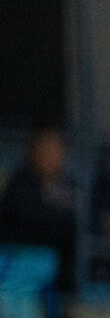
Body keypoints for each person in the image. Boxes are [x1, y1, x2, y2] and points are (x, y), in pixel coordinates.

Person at [0, 126, 77, 297]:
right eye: (45, 149)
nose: (51, 155)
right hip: (20, 259)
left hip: (58, 263)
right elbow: (30, 221)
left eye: (56, 149)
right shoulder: (21, 182)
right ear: (33, 151)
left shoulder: (69, 185)